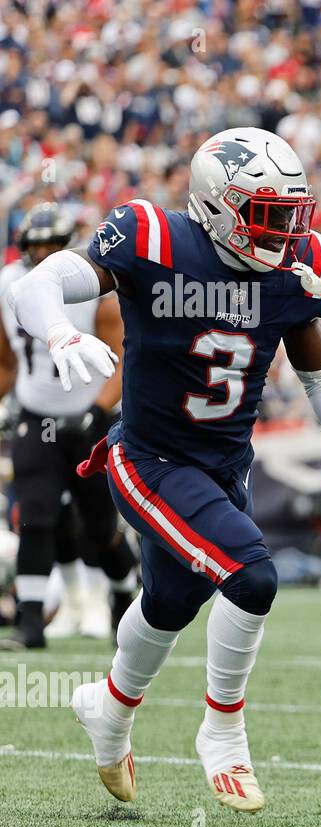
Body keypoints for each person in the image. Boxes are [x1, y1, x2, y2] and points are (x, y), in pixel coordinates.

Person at [9, 128, 321, 812]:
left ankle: (111, 709)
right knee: (252, 574)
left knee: (170, 601)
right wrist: (62, 331)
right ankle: (223, 732)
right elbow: (42, 281)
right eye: (269, 215)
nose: (285, 232)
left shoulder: (295, 267)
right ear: (218, 206)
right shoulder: (151, 238)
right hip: (148, 459)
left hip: (224, 467)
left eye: (293, 216)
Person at [0, 203, 138, 650]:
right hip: (36, 414)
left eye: (52, 248)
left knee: (99, 527)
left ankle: (121, 599)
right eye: (35, 248)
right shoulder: (9, 287)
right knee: (36, 515)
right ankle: (31, 623)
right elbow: (5, 362)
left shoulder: (96, 289)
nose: (43, 258)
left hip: (90, 418)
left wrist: (97, 411)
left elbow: (123, 361)